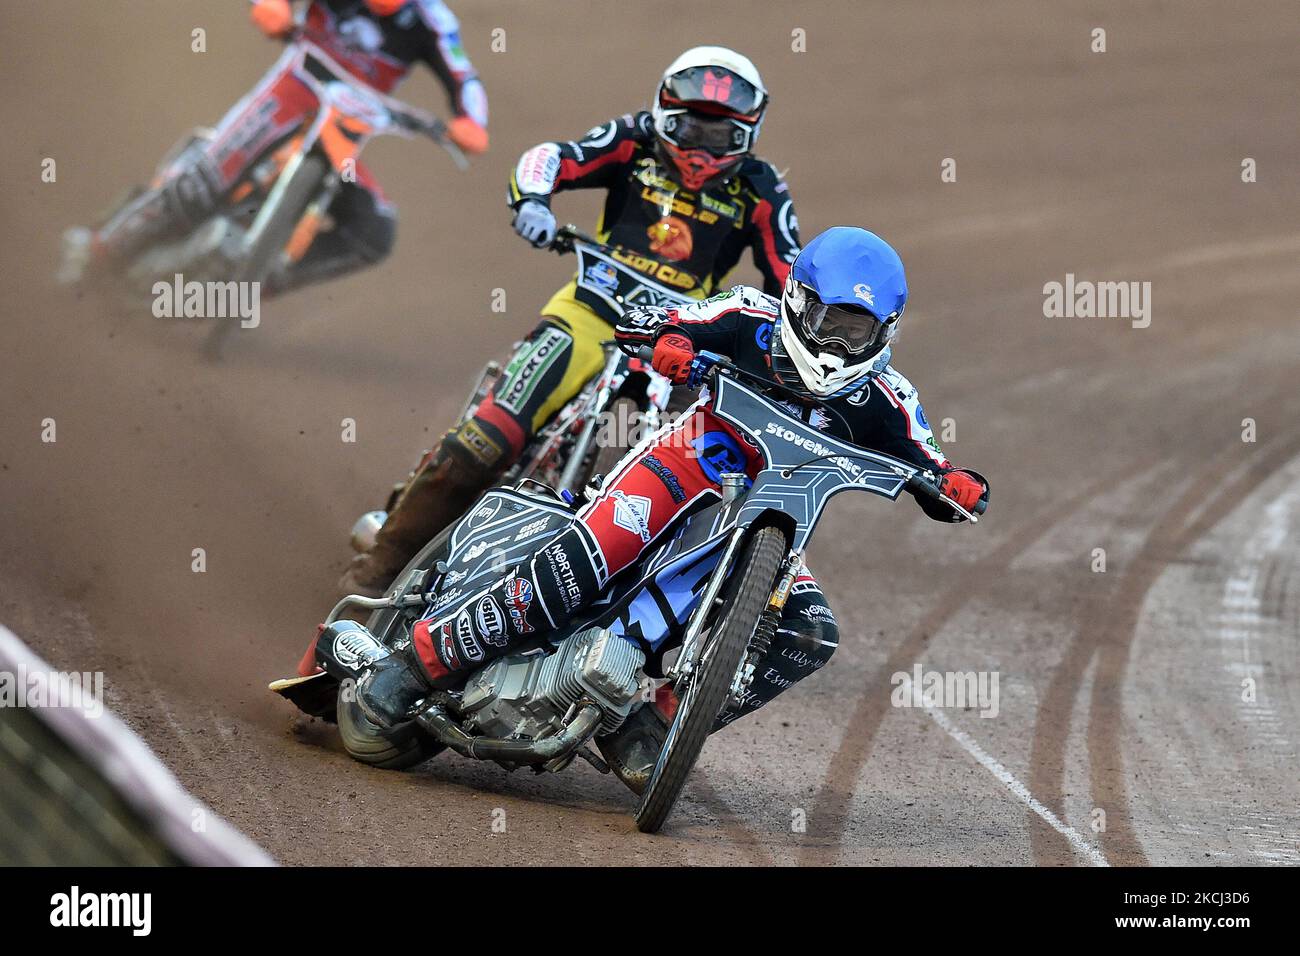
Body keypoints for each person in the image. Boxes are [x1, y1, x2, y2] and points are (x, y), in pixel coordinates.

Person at [354, 226, 991, 794]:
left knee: (810, 632)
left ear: (886, 332)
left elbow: (935, 466)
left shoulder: (890, 397)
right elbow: (658, 317)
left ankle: (650, 724)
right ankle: (417, 663)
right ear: (796, 301)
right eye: (827, 320)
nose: (836, 341)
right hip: (690, 462)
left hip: (776, 511)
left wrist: (959, 486)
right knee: (587, 559)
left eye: (857, 328)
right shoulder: (748, 314)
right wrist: (671, 342)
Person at [339, 45, 801, 596]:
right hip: (591, 312)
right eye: (689, 128)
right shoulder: (633, 140)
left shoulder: (762, 189)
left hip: (685, 341)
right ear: (662, 114)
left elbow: (790, 275)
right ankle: (378, 569)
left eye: (719, 136)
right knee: (487, 439)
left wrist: (782, 343)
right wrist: (533, 201)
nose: (701, 148)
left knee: (700, 480)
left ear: (747, 134)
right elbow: (554, 157)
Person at [60, 0, 488, 295]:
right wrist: (273, 7)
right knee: (203, 185)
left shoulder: (434, 23)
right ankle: (98, 252)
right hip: (291, 94)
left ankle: (249, 288)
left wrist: (472, 122)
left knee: (373, 233)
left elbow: (464, 79)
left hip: (343, 131)